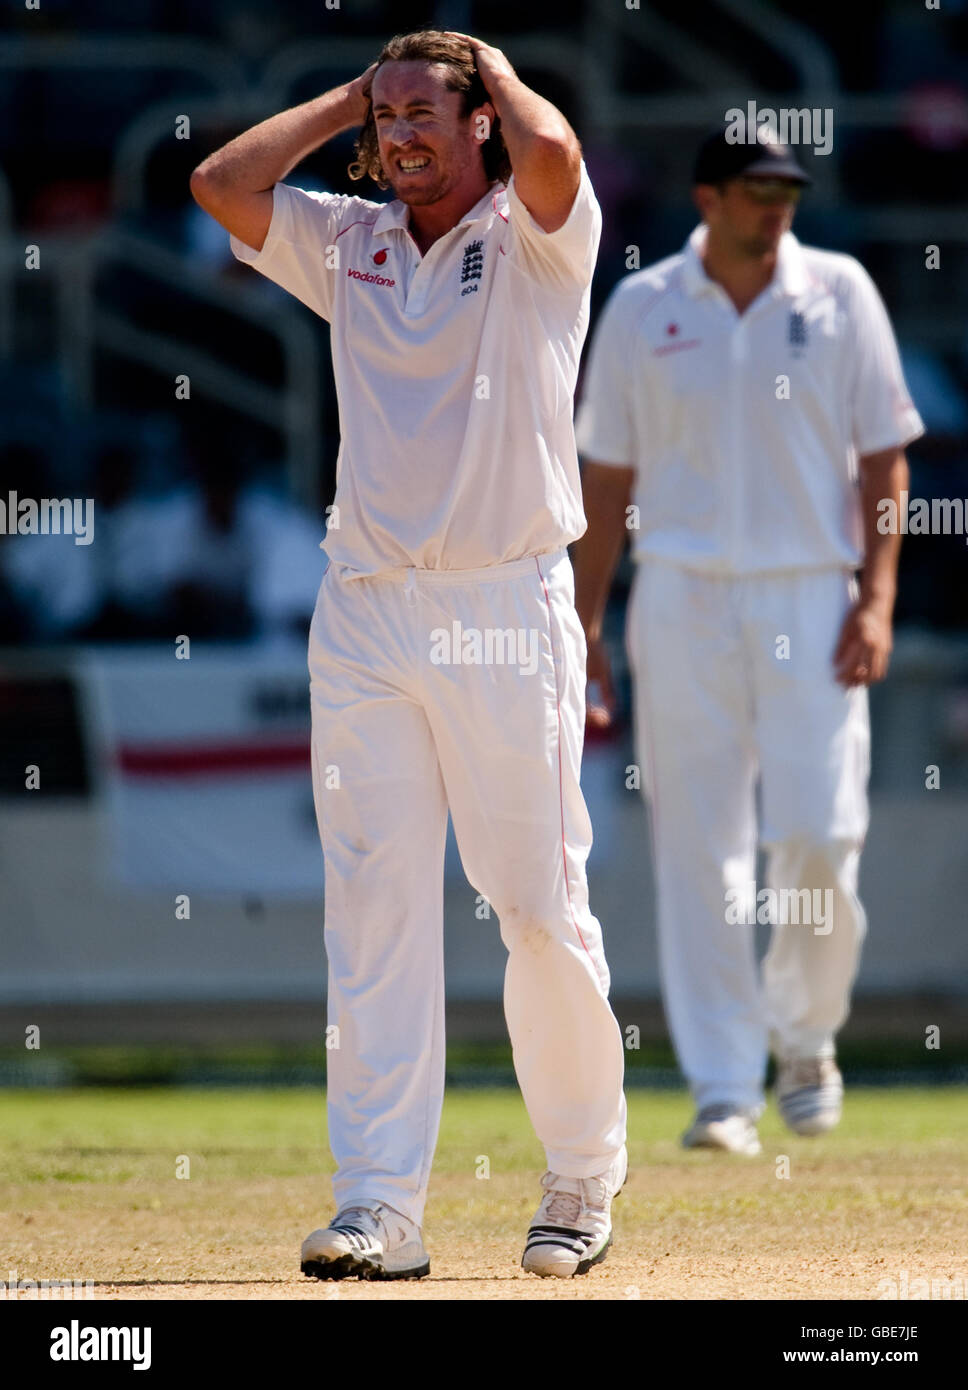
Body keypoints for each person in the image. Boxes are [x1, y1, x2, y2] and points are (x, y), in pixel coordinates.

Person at [191, 28, 627, 1278]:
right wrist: (352, 95)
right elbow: (221, 186)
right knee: (372, 908)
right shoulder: (349, 238)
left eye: (428, 113)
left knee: (534, 905)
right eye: (386, 120)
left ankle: (580, 1172)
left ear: (479, 113)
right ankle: (379, 1204)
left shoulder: (540, 234)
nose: (401, 136)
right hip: (368, 606)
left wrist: (486, 72)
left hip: (504, 600)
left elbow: (553, 148)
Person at [573, 124, 924, 1155]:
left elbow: (883, 459)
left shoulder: (839, 292)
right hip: (679, 595)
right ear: (706, 198)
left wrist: (877, 599)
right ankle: (722, 1085)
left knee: (818, 833)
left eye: (786, 187)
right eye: (755, 187)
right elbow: (604, 479)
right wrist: (585, 622)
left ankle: (805, 1039)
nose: (775, 205)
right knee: (699, 850)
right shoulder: (642, 308)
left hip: (811, 596)